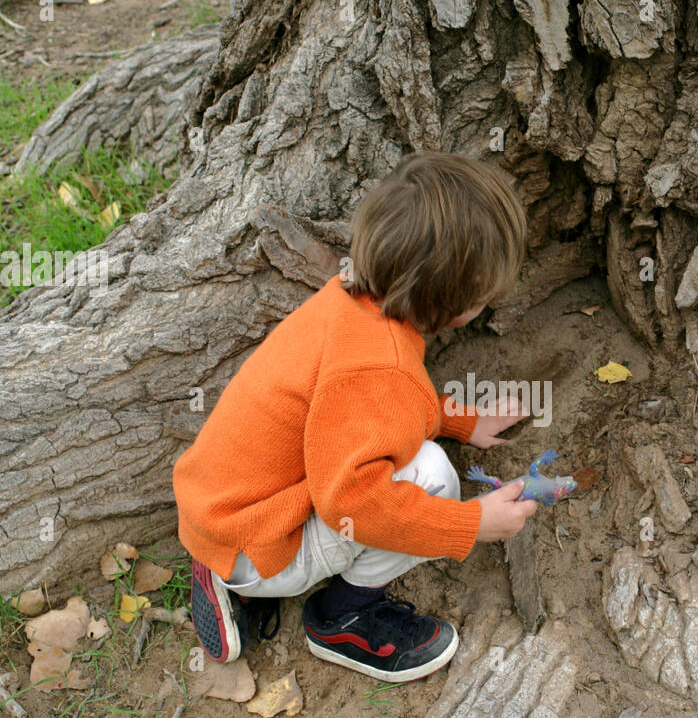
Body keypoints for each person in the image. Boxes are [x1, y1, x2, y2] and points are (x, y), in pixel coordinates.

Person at [172, 152, 536, 682]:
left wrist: (461, 422)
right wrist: (471, 523)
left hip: (218, 505)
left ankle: (218, 562)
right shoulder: (381, 367)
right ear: (452, 301)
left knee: (416, 457)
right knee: (434, 477)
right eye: (482, 296)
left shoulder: (345, 303)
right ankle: (344, 617)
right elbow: (355, 503)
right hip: (255, 540)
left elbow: (375, 410)